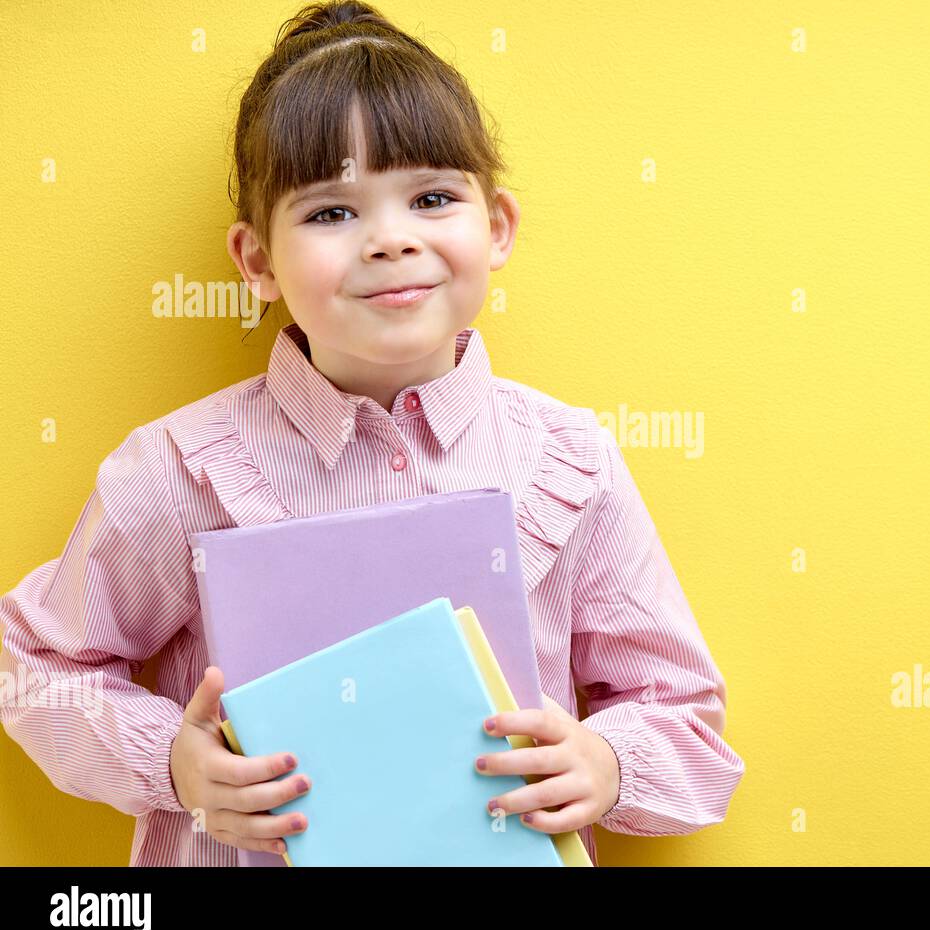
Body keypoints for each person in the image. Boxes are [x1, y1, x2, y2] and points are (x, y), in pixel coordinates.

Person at [0, 0, 743, 867]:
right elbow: (29, 667)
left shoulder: (570, 461)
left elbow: (685, 717)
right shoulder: (179, 469)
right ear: (256, 260)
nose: (390, 240)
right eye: (331, 213)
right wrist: (172, 762)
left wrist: (608, 765)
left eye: (431, 198)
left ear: (496, 227)